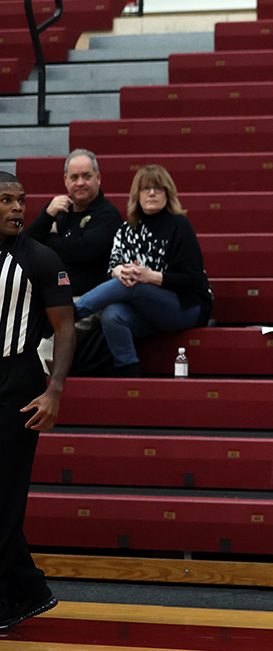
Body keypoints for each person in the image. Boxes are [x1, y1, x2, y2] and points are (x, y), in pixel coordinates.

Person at [0, 172, 75, 631]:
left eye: (20, 200)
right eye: (5, 200)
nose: (16, 208)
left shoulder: (41, 258)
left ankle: (10, 599)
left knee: (6, 495)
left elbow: (66, 328)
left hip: (19, 380)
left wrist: (54, 390)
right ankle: (27, 591)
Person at [74, 165, 213, 378]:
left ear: (167, 194)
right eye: (145, 188)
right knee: (112, 314)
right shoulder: (126, 230)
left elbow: (193, 281)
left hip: (186, 306)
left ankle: (70, 314)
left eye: (158, 188)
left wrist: (151, 277)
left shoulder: (179, 225)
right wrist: (118, 271)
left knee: (135, 283)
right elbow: (111, 271)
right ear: (137, 195)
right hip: (145, 310)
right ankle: (129, 372)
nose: (151, 193)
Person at [22, 149, 123, 296]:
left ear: (98, 178)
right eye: (74, 177)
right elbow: (24, 246)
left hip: (88, 299)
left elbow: (85, 252)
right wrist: (46, 216)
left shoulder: (108, 214)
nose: (80, 183)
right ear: (65, 180)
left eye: (86, 176)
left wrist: (50, 239)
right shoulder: (59, 210)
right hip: (51, 293)